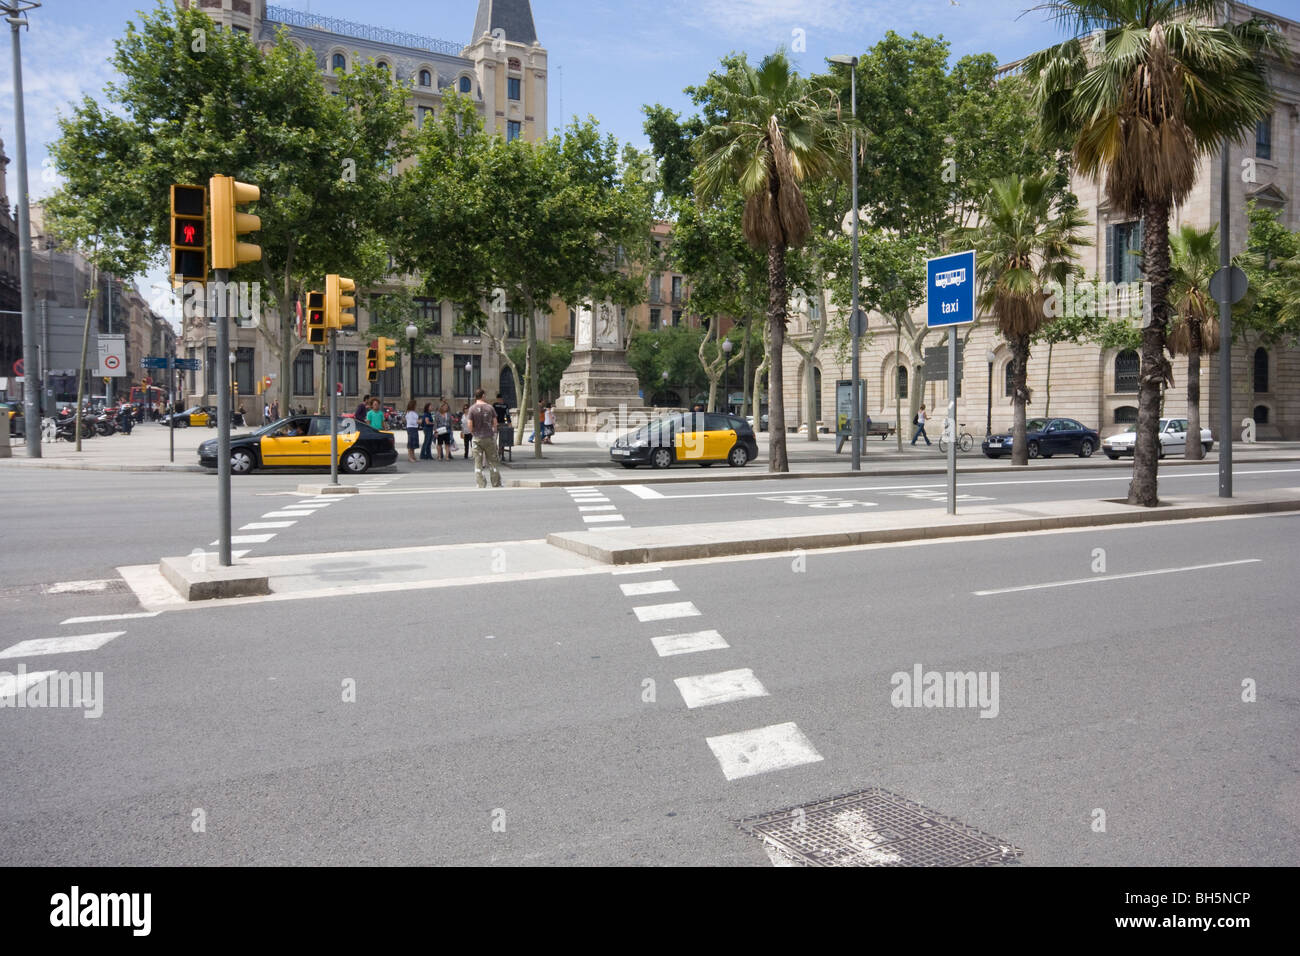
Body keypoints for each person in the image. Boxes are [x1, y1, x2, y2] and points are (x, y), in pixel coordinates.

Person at [467, 388, 502, 488]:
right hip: (488, 437)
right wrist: (494, 432)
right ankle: (496, 482)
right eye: (485, 395)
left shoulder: (472, 409)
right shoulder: (490, 408)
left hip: (477, 438)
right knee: (492, 461)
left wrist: (473, 432)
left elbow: (469, 424)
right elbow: (495, 423)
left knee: (478, 462)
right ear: (482, 396)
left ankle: (481, 483)